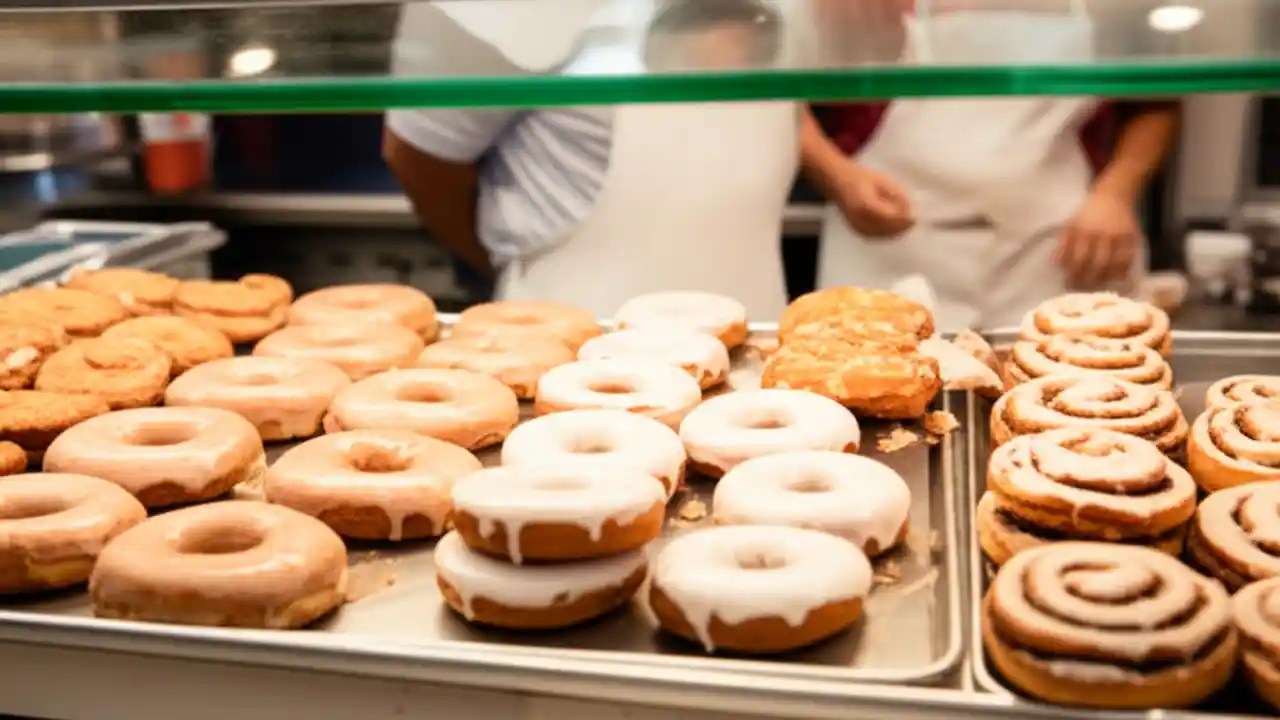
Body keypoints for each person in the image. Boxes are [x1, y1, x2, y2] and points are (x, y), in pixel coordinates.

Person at [384, 0, 797, 319]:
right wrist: (498, 262)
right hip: (582, 322)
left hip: (756, 312)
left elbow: (765, 75)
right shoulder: (494, 13)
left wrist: (838, 175)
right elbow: (419, 157)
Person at [802, 0, 1181, 330]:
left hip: (1053, 252)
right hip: (888, 252)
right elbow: (775, 96)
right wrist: (837, 175)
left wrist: (1115, 193)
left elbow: (1157, 97)